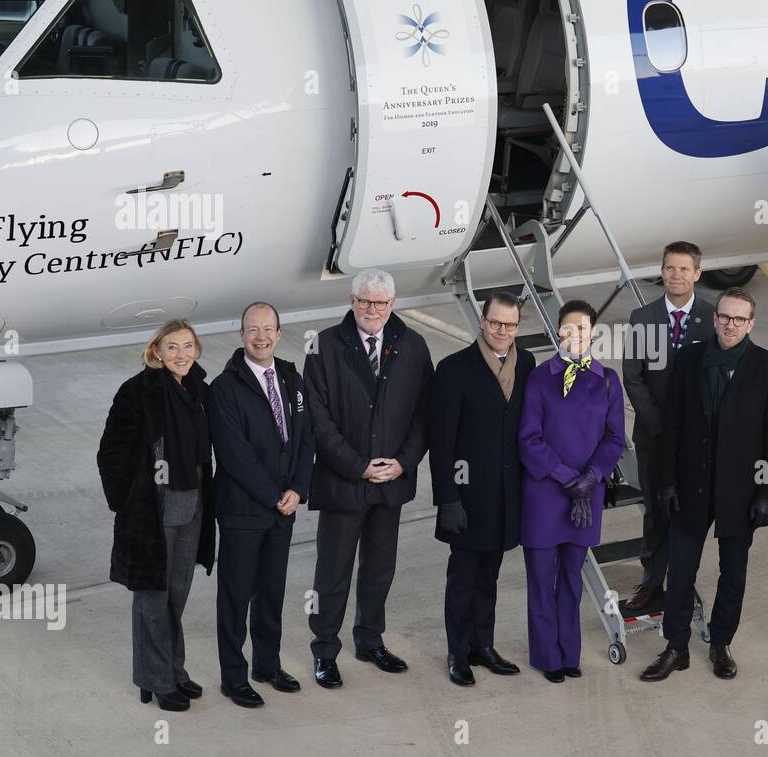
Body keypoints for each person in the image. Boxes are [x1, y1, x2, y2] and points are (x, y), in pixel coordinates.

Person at [640, 288, 768, 681]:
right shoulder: (690, 358)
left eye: (739, 319)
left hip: (739, 493)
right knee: (681, 571)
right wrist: (668, 481)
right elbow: (672, 424)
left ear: (751, 323)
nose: (730, 325)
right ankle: (676, 647)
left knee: (733, 573)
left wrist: (766, 493)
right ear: (715, 318)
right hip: (690, 487)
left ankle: (721, 643)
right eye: (724, 317)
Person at [303, 269, 433, 688]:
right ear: (351, 300)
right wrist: (357, 464)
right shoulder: (323, 346)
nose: (372, 309)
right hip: (344, 481)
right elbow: (317, 419)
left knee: (379, 569)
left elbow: (425, 414)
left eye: (380, 302)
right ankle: (325, 651)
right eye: (364, 301)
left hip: (390, 482)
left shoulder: (413, 346)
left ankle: (370, 640)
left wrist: (403, 462)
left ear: (393, 303)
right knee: (332, 573)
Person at [97, 319, 215, 712]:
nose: (181, 354)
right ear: (157, 352)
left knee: (176, 594)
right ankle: (155, 679)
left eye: (187, 346)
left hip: (193, 503)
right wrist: (126, 503)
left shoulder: (199, 387)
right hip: (153, 508)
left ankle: (174, 670)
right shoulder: (137, 392)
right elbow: (110, 453)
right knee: (153, 595)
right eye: (172, 348)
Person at [207, 302, 314, 708]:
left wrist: (298, 489)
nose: (261, 336)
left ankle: (266, 665)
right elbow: (234, 456)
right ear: (241, 335)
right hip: (242, 512)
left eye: (268, 329)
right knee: (235, 597)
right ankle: (233, 678)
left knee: (271, 593)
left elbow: (306, 439)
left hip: (282, 509)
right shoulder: (225, 388)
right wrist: (274, 495)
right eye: (253, 330)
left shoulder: (290, 377)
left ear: (279, 332)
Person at [518, 299, 626, 683]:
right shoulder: (539, 378)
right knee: (541, 581)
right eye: (567, 328)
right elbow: (528, 439)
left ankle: (569, 653)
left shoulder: (608, 380)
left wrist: (592, 477)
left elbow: (615, 438)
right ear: (558, 332)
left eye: (581, 329)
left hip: (588, 495)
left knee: (571, 581)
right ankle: (547, 657)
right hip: (545, 494)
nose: (574, 335)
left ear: (593, 334)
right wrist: (569, 478)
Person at [431, 292, 536, 686]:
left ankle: (482, 645)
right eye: (496, 323)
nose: (502, 331)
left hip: (507, 493)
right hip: (468, 494)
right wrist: (448, 499)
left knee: (489, 575)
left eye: (510, 325)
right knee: (462, 577)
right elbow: (441, 442)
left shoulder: (525, 362)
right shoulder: (454, 369)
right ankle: (458, 653)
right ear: (482, 321)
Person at [621, 242, 715, 611]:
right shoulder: (643, 318)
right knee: (656, 509)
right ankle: (651, 579)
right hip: (653, 436)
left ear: (697, 274)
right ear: (661, 272)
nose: (676, 275)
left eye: (684, 269)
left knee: (688, 511)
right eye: (670, 268)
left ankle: (681, 579)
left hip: (695, 439)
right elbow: (634, 377)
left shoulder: (711, 319)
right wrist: (661, 426)